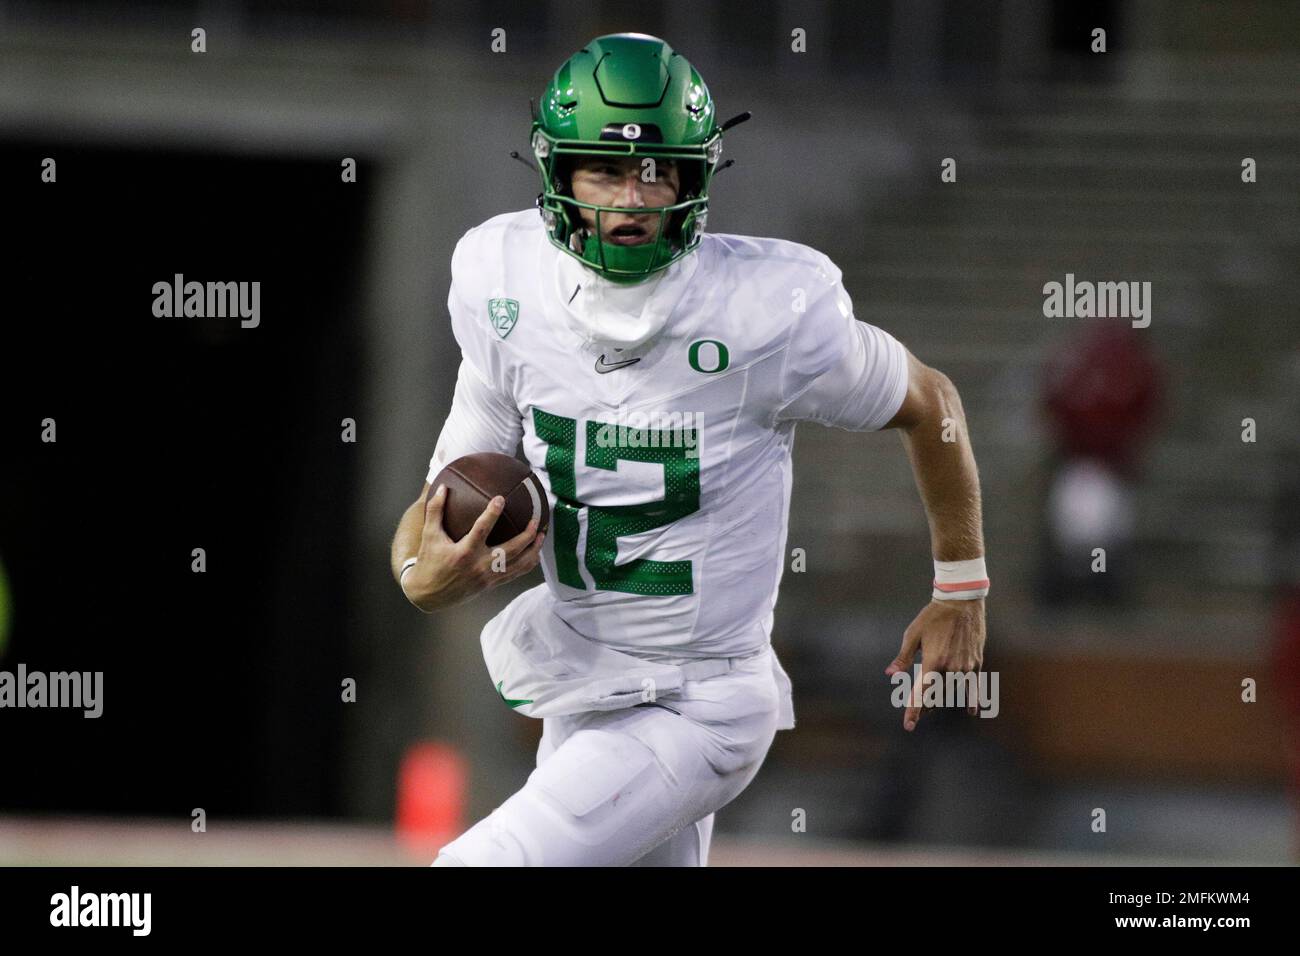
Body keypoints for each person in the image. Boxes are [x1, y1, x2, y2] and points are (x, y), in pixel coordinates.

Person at [389, 33, 988, 866]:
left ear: (693, 179)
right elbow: (438, 511)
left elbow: (934, 404)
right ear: (557, 175)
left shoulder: (769, 313)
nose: (635, 197)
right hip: (582, 686)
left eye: (658, 170)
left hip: (697, 702)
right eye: (606, 169)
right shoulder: (502, 281)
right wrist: (426, 578)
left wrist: (961, 585)